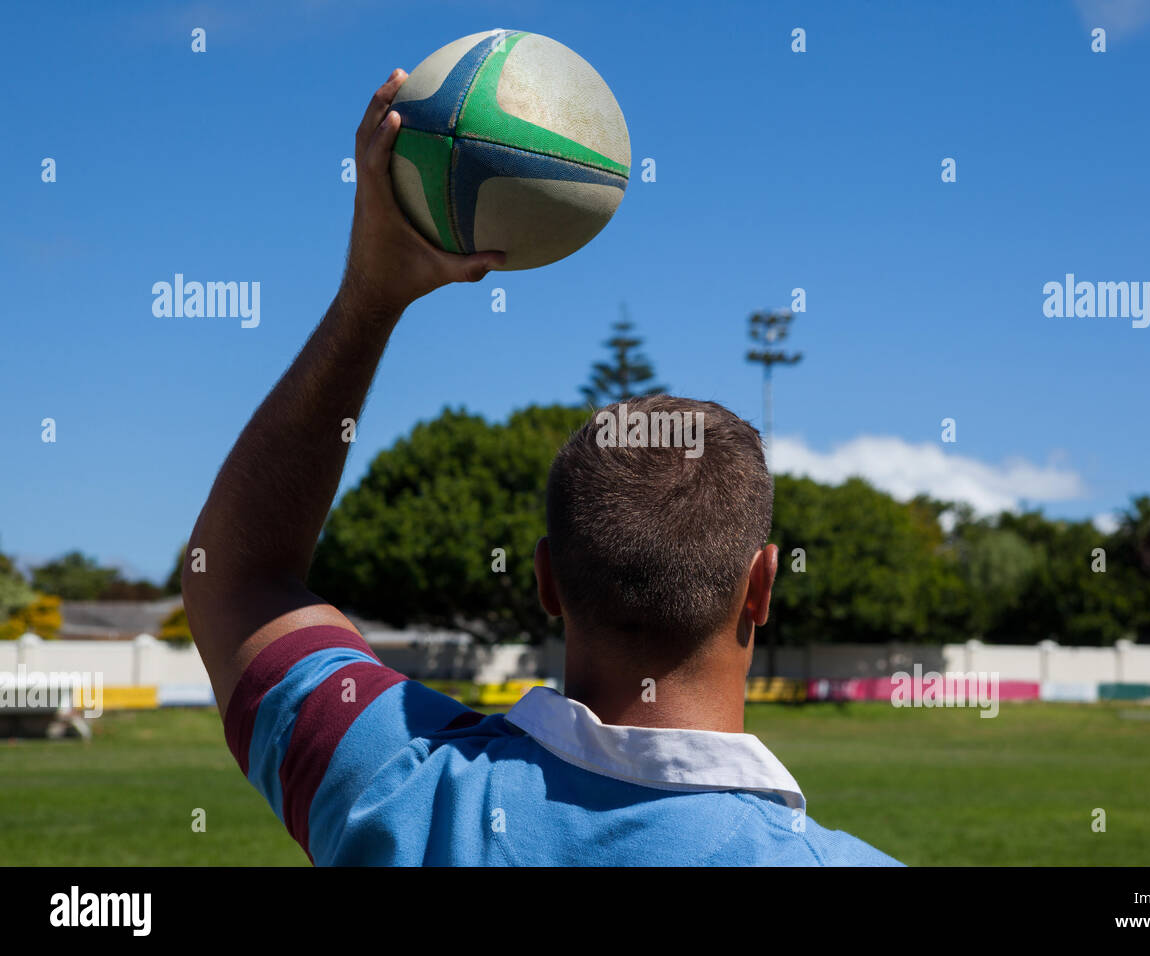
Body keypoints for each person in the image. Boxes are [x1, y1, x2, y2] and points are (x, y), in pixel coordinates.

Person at [183, 69, 902, 866]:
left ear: (548, 580)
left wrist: (373, 292)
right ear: (761, 585)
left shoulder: (403, 787)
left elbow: (239, 583)